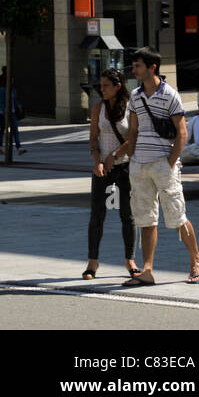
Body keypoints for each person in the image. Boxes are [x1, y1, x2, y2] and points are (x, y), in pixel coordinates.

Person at [123, 47, 199, 286]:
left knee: (177, 216)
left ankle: (196, 259)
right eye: (134, 65)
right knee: (146, 219)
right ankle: (147, 270)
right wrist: (132, 159)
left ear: (152, 67)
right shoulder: (135, 95)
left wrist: (169, 163)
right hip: (140, 164)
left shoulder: (170, 94)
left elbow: (182, 133)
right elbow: (133, 130)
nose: (134, 69)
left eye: (138, 65)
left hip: (163, 163)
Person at [83, 68, 138, 280]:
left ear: (118, 86)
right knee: (97, 215)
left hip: (124, 167)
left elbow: (133, 137)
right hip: (102, 169)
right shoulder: (98, 108)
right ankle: (92, 262)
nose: (102, 89)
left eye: (106, 85)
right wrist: (97, 162)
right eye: (101, 85)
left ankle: (130, 260)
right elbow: (93, 139)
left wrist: (114, 155)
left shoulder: (130, 108)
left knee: (128, 215)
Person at [0, 68, 27, 155]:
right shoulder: (2, 90)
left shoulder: (13, 89)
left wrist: (18, 105)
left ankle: (19, 147)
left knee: (15, 130)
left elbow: (14, 100)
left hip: (12, 113)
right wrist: (4, 112)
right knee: (2, 130)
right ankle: (0, 147)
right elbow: (1, 103)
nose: (12, 80)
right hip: (4, 114)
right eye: (11, 79)